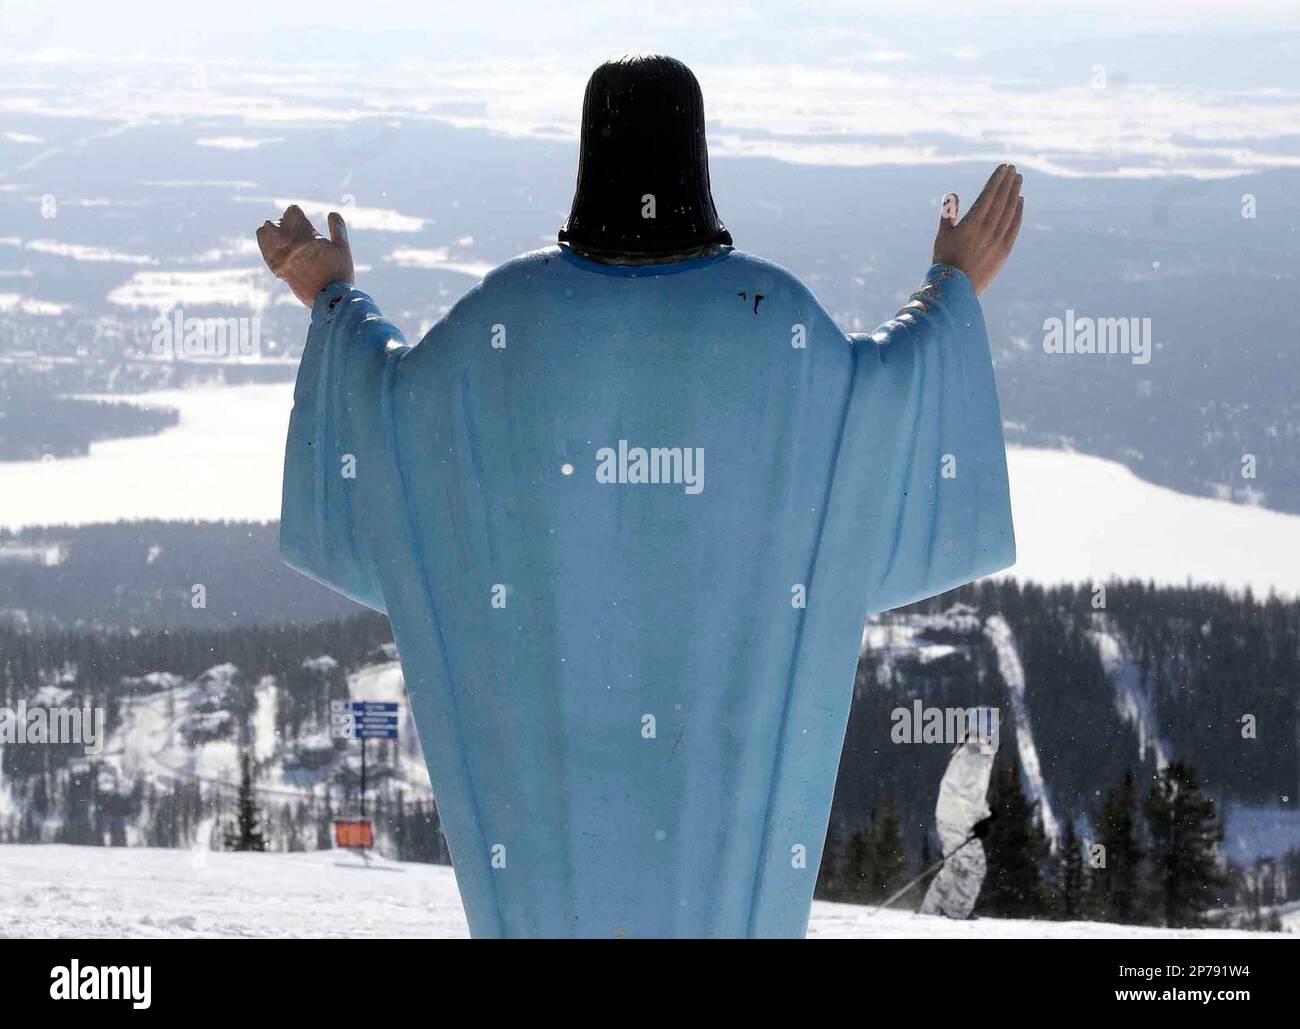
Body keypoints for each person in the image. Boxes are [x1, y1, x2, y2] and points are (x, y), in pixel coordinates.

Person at [256, 54, 1020, 938]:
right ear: (698, 160)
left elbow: (388, 422)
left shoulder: (501, 326)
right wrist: (953, 286)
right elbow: (885, 412)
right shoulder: (778, 323)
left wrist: (329, 295)